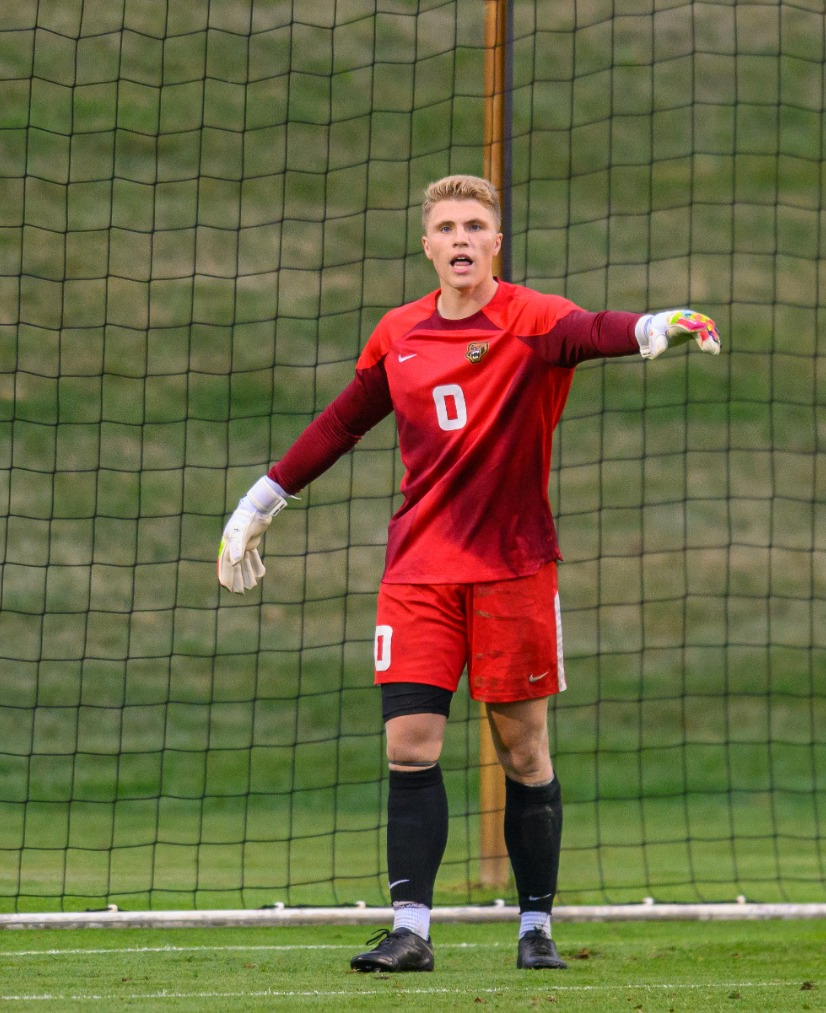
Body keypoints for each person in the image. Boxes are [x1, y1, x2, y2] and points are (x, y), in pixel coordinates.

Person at [217, 174, 720, 973]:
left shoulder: (531, 320)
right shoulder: (399, 332)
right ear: (426, 245)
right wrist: (262, 499)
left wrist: (653, 326)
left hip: (513, 567)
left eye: (474, 225)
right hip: (418, 569)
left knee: (524, 751)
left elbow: (592, 330)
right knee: (409, 745)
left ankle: (535, 928)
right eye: (446, 225)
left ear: (495, 242)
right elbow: (346, 419)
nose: (459, 237)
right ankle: (410, 927)